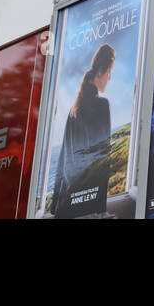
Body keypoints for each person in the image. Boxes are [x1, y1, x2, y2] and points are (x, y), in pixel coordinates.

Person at [52, 43, 115, 218]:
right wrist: (100, 211)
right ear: (101, 72)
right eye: (110, 71)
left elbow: (62, 160)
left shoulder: (73, 110)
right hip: (88, 207)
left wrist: (54, 207)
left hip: (66, 205)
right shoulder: (102, 105)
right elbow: (103, 159)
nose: (110, 78)